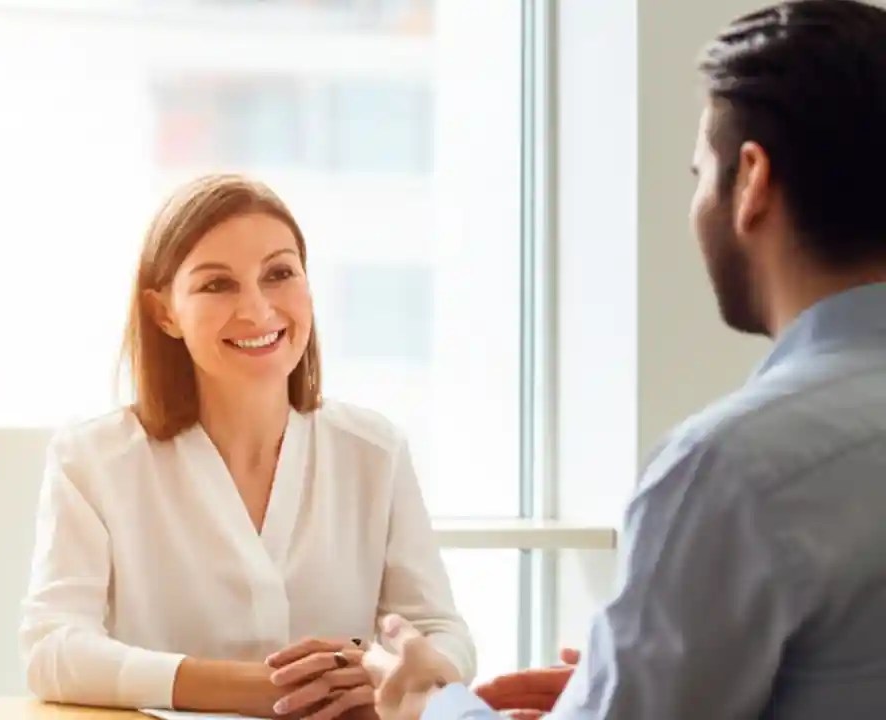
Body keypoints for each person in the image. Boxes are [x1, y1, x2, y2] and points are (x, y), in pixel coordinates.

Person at [373, 0, 886, 717]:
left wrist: (430, 704)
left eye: (698, 173)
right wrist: (614, 692)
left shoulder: (734, 469)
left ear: (752, 181)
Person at [18, 174, 477, 717]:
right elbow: (52, 650)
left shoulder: (374, 451)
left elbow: (443, 635)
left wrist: (388, 675)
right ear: (164, 312)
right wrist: (259, 689)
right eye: (217, 285)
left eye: (279, 274)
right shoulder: (92, 459)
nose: (258, 310)